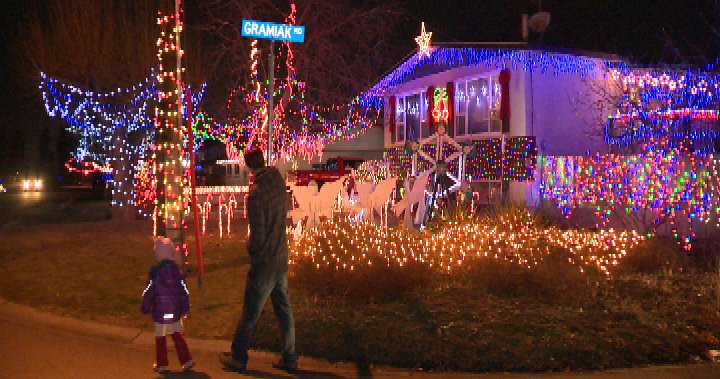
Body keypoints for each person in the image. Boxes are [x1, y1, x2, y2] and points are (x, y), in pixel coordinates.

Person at [220, 149, 297, 373]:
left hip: (265, 262)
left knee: (251, 312)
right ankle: (290, 357)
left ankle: (238, 357)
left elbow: (258, 234)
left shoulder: (256, 195)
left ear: (249, 168)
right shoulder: (278, 183)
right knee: (284, 310)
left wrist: (252, 251)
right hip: (281, 256)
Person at [141, 236, 194, 374]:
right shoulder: (178, 274)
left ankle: (161, 363)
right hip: (175, 312)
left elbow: (149, 293)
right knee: (177, 335)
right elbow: (184, 292)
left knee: (160, 337)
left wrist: (145, 307)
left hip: (160, 312)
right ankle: (186, 360)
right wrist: (186, 308)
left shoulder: (155, 274)